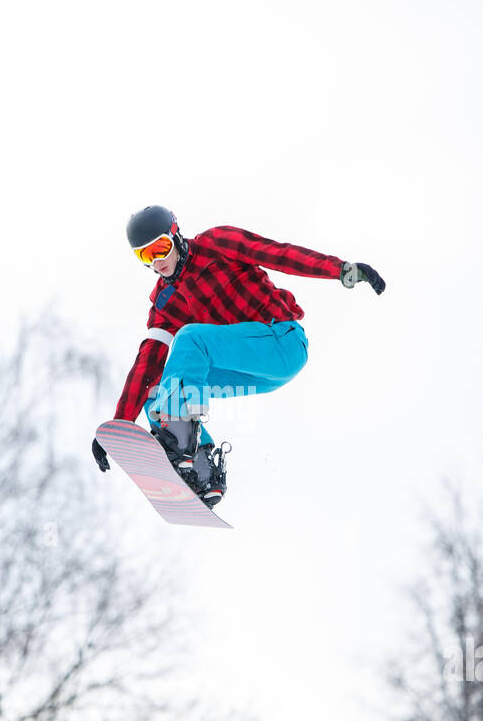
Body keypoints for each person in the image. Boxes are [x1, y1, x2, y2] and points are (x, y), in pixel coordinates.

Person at [92, 205, 385, 505]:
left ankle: (181, 441)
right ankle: (202, 473)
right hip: (253, 370)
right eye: (145, 255)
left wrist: (339, 269)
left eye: (161, 248)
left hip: (282, 342)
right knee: (156, 392)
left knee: (191, 339)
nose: (157, 261)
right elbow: (148, 360)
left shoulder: (216, 244)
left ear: (175, 236)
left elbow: (278, 254)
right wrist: (121, 428)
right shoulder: (167, 300)